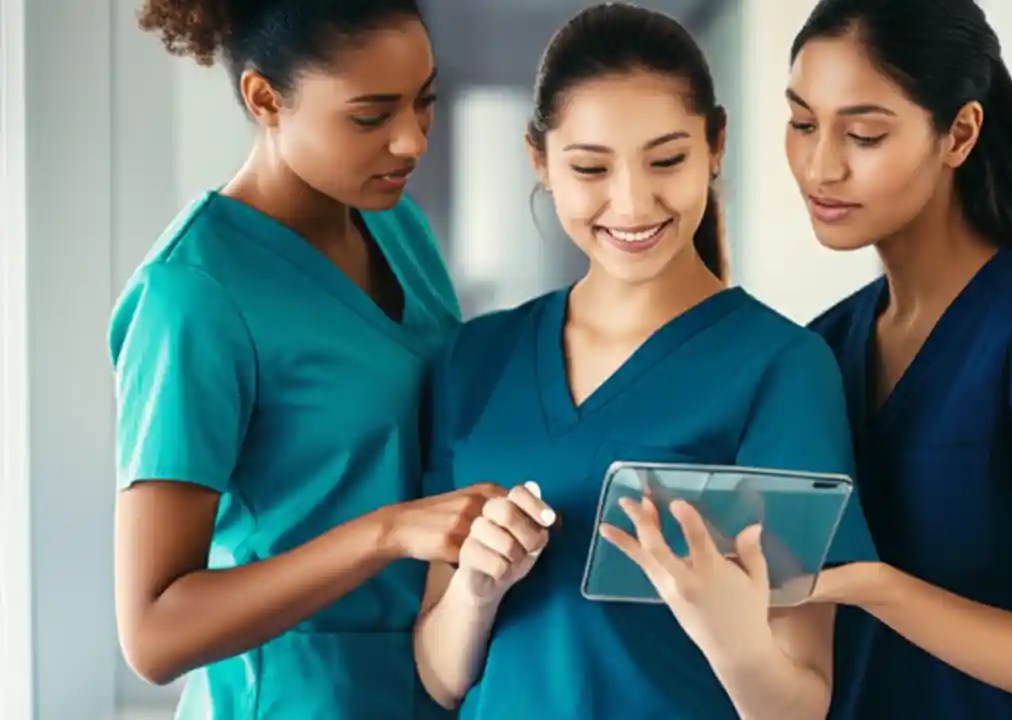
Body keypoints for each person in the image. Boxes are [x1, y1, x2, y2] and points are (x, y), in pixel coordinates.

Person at [411, 5, 874, 719]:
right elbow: (441, 678)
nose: (631, 203)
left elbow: (801, 704)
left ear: (715, 146)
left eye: (666, 161)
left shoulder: (782, 368)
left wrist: (730, 634)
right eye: (590, 167)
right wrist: (476, 588)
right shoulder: (474, 361)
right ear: (540, 161)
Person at [110, 1, 499, 717]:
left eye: (425, 101)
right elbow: (154, 633)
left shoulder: (399, 227)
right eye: (370, 117)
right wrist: (386, 533)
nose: (412, 140)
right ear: (265, 99)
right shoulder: (193, 294)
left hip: (430, 684)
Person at [777, 1, 1012, 718]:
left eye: (863, 134)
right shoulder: (818, 349)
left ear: (959, 134)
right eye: (801, 124)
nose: (820, 166)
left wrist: (879, 589)